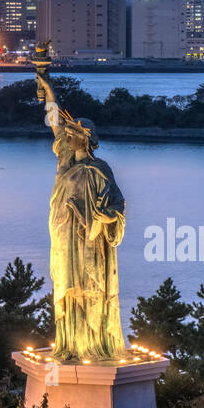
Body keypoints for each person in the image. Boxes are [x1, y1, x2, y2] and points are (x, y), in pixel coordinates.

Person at [35, 62, 126, 362]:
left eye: (73, 131)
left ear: (84, 137)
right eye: (68, 131)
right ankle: (70, 342)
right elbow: (53, 118)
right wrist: (47, 86)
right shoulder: (65, 160)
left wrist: (106, 217)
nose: (66, 134)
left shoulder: (99, 170)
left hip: (89, 240)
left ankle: (90, 342)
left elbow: (118, 206)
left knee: (87, 287)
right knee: (65, 284)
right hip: (63, 235)